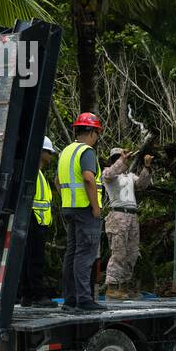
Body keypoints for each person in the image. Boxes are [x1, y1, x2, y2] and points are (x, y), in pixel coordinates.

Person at [58, 113, 105, 311]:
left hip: (69, 208)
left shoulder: (65, 152)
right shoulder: (86, 152)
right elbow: (88, 178)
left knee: (72, 254)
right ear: (93, 132)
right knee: (84, 255)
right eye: (97, 133)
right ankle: (84, 300)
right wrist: (95, 207)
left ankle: (70, 300)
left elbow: (57, 182)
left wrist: (66, 200)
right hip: (85, 210)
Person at [101, 147, 153, 300]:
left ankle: (123, 286)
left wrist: (147, 167)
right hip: (117, 214)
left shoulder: (129, 176)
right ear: (112, 160)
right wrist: (122, 161)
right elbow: (110, 173)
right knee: (118, 252)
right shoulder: (107, 174)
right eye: (116, 157)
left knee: (131, 253)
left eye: (122, 157)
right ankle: (112, 287)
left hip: (132, 216)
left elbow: (142, 185)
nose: (120, 159)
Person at [18, 136, 57, 307]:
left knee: (29, 258)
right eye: (49, 152)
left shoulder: (38, 173)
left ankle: (28, 295)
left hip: (36, 220)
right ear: (40, 152)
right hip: (34, 219)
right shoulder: (33, 172)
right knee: (35, 259)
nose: (51, 156)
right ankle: (37, 296)